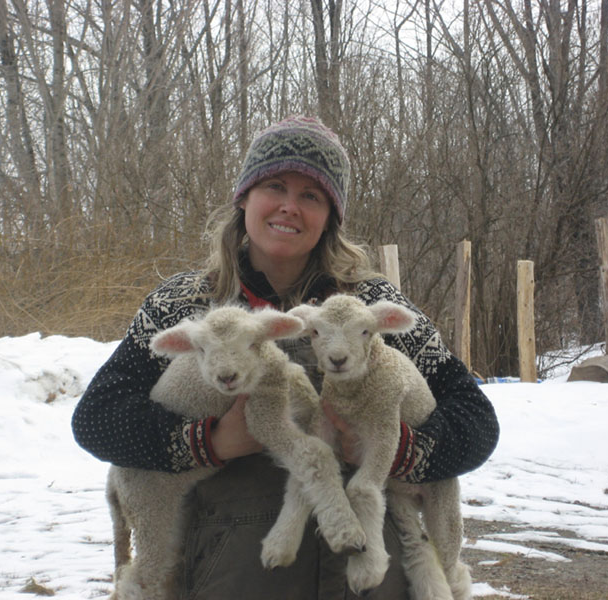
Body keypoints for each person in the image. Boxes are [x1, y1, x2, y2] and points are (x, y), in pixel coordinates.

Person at [71, 115, 500, 599]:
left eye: (311, 195)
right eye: (274, 186)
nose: (289, 206)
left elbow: (475, 420)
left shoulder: (373, 305)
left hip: (370, 578)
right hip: (233, 576)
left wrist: (396, 451)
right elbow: (97, 419)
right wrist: (210, 442)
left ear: (330, 216)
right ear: (245, 198)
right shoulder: (183, 305)